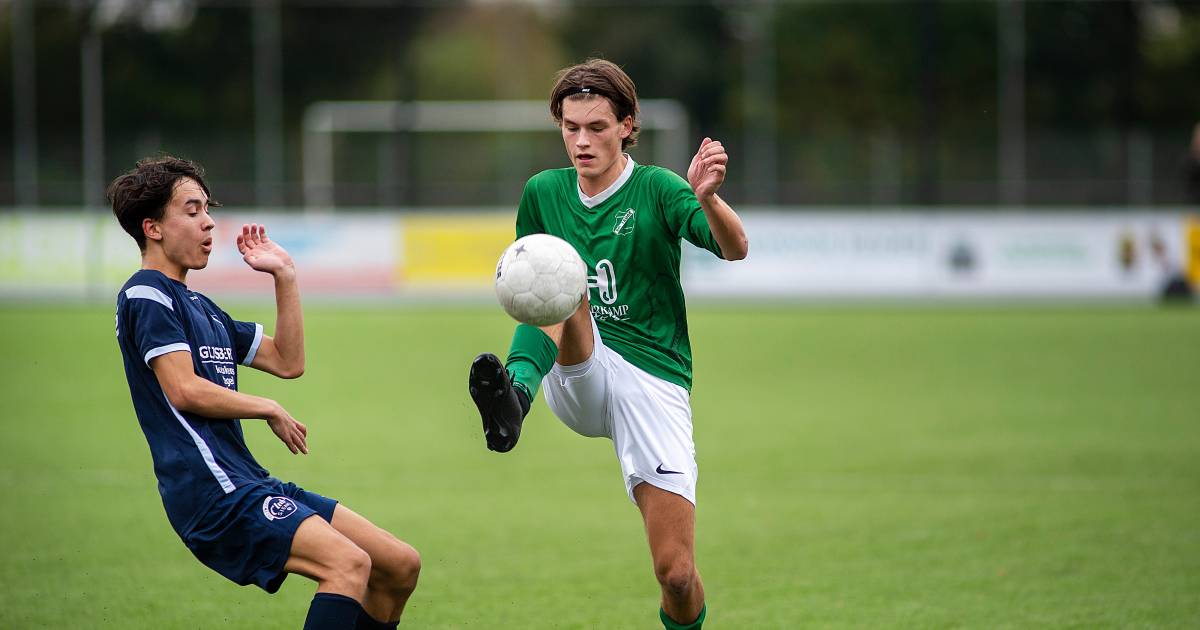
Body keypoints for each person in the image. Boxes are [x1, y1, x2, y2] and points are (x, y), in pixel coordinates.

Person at [468, 59, 748, 630]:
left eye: (596, 127)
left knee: (676, 574)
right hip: (578, 368)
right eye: (570, 127)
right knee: (558, 278)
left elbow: (735, 249)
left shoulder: (658, 189)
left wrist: (709, 198)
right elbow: (531, 292)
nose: (581, 140)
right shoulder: (543, 193)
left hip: (653, 381)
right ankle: (512, 401)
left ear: (626, 125)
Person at [111, 156, 420, 630]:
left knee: (398, 565)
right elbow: (183, 389)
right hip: (210, 491)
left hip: (246, 480)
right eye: (192, 211)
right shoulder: (145, 295)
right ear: (152, 227)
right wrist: (266, 407)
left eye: (206, 209)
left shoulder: (204, 309)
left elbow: (287, 361)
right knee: (347, 565)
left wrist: (285, 276)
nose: (208, 221)